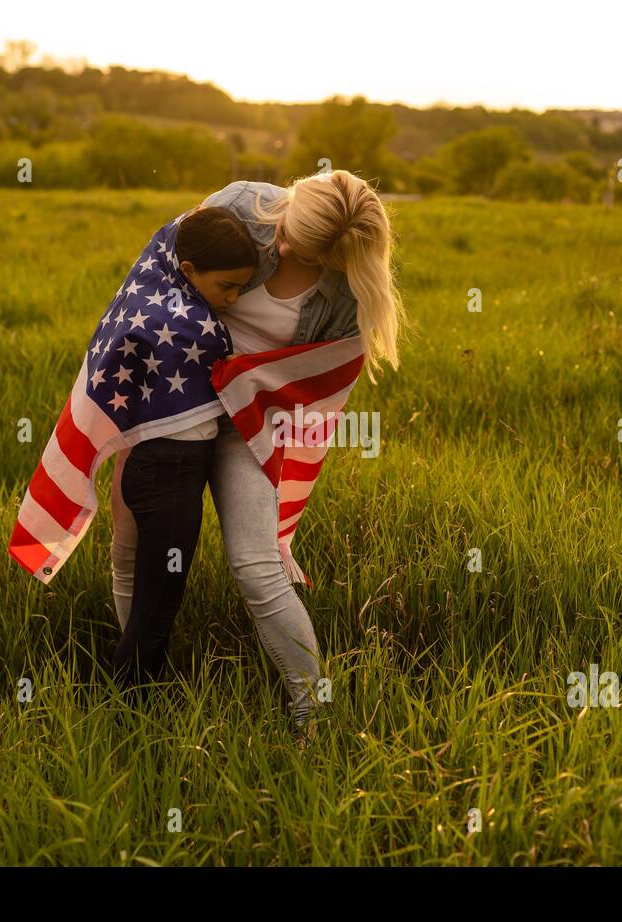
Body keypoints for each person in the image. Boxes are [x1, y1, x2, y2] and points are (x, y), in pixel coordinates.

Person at [111, 170, 406, 728]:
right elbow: (158, 288)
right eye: (289, 228)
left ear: (343, 256)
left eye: (307, 249)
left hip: (253, 422)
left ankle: (312, 711)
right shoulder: (242, 206)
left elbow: (317, 387)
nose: (284, 245)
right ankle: (138, 684)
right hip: (173, 398)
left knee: (255, 564)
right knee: (131, 544)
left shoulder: (345, 296)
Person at [108, 206, 258, 689]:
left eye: (241, 287)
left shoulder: (156, 298)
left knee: (154, 599)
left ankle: (133, 697)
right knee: (157, 608)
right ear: (190, 270)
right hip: (167, 473)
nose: (234, 299)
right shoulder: (187, 325)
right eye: (228, 286)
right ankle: (129, 707)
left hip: (160, 471)